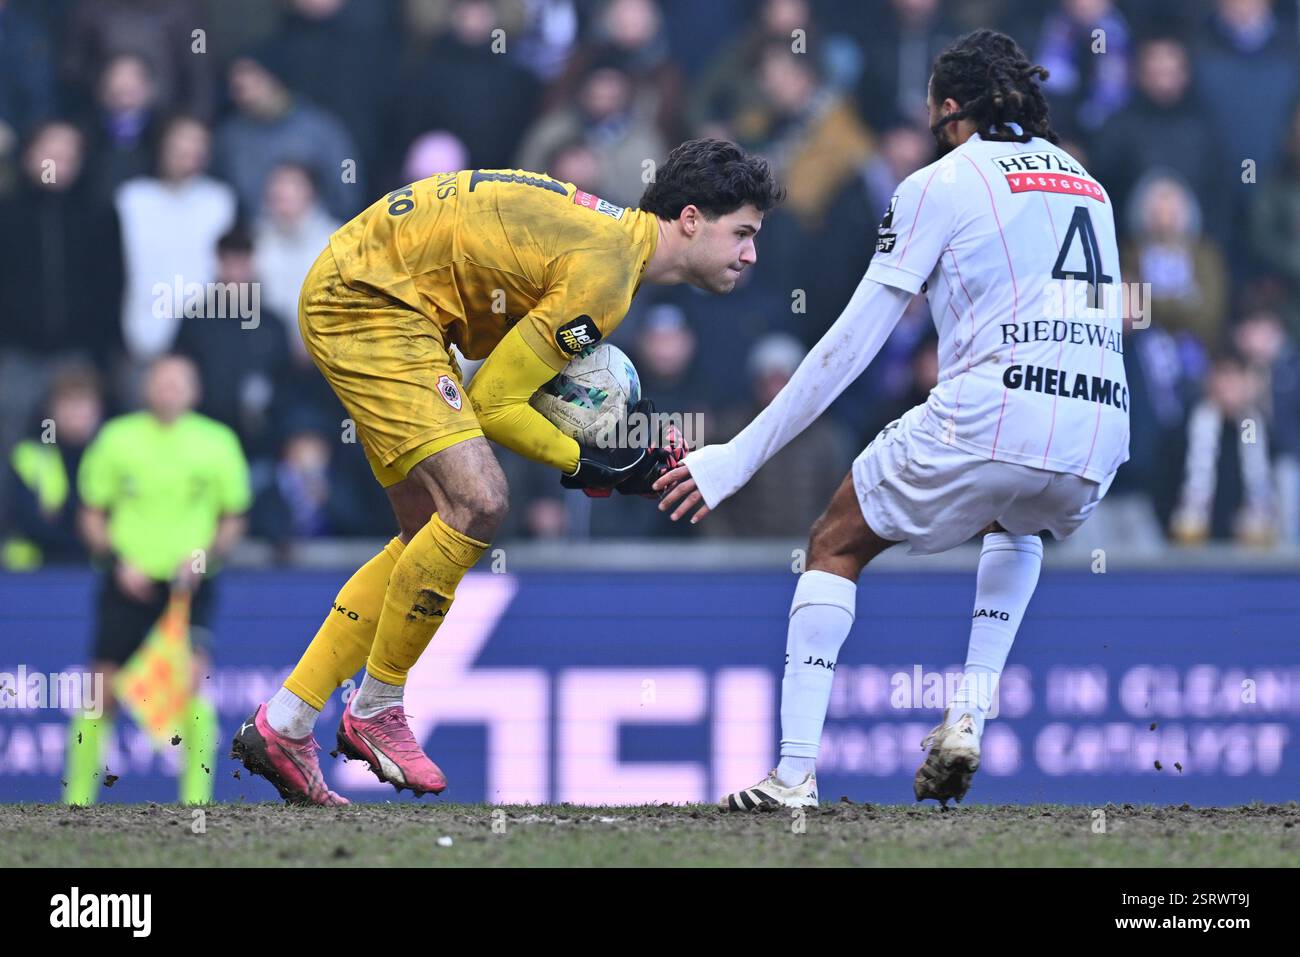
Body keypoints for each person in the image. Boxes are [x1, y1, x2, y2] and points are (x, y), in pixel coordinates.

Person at [231, 140, 785, 806]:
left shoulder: (606, 245)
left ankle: (288, 720)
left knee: (429, 534)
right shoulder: (607, 276)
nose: (751, 253)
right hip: (371, 303)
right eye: (744, 233)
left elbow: (511, 350)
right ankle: (376, 707)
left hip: (375, 291)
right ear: (691, 219)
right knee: (481, 501)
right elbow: (494, 402)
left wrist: (622, 443)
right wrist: (587, 462)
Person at [657, 30, 1130, 809]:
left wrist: (736, 456)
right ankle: (968, 715)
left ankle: (794, 775)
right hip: (1098, 432)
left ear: (949, 109)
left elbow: (849, 346)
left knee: (834, 540)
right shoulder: (1092, 185)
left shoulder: (939, 182)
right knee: (1019, 516)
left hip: (995, 408)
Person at [64, 354, 250, 805]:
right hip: (126, 582)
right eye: (161, 382)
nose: (169, 390)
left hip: (189, 586)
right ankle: (74, 805)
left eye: (179, 382)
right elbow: (90, 512)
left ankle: (196, 806)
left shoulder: (218, 441)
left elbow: (234, 517)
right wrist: (114, 560)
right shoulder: (116, 438)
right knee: (100, 689)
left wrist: (204, 557)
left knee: (191, 685)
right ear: (147, 387)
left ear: (195, 390)